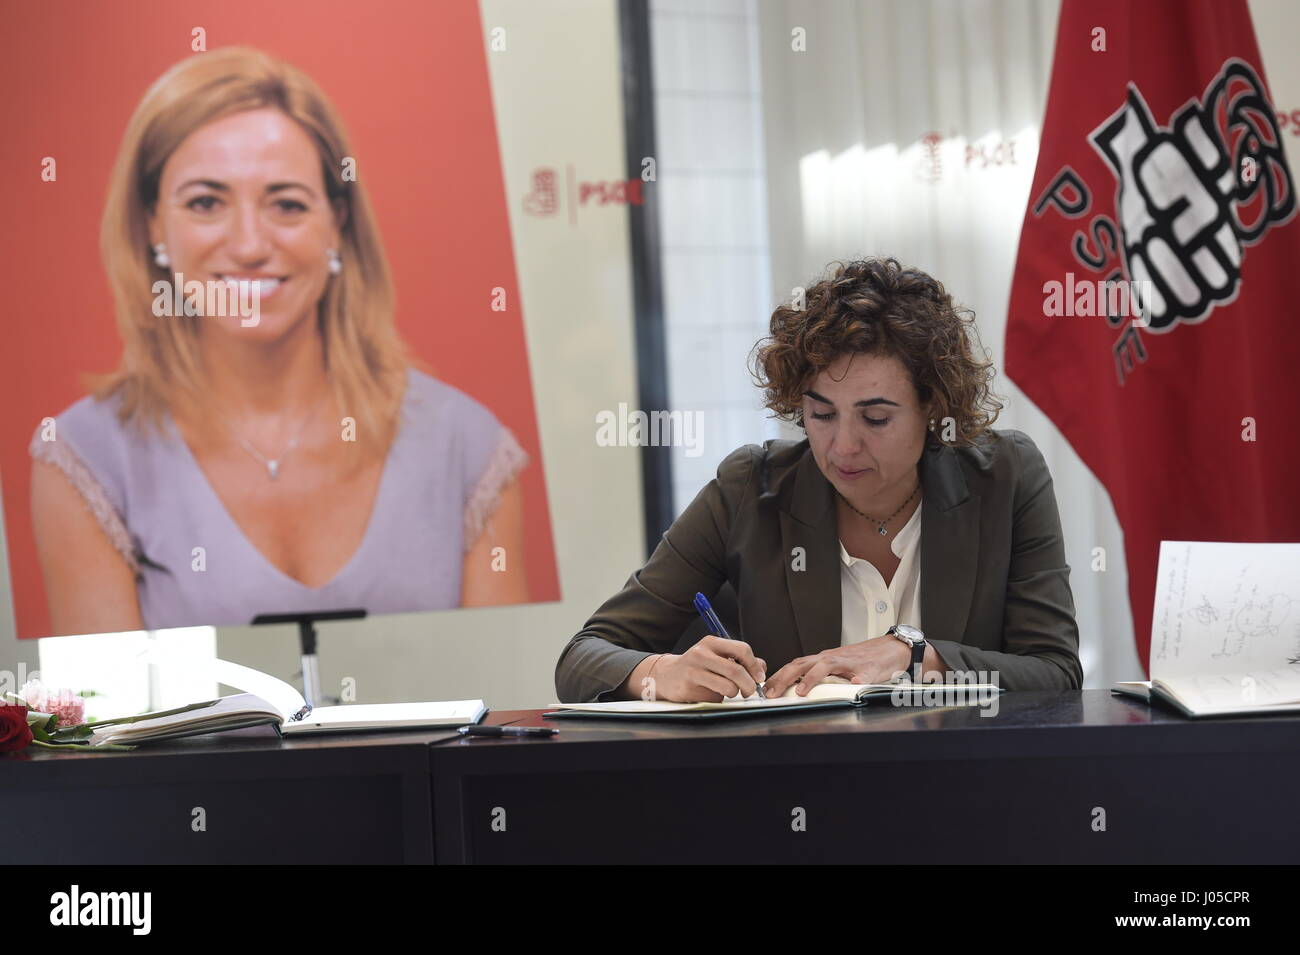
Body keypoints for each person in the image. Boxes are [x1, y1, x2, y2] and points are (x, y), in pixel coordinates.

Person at [29, 47, 530, 637]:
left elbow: (504, 708)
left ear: (337, 223)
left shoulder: (465, 445)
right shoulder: (84, 459)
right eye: (206, 202)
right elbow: (110, 721)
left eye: (287, 204)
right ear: (152, 225)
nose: (248, 244)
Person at [556, 257, 1082, 702]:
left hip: (967, 793)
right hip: (794, 798)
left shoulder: (1005, 475)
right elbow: (583, 657)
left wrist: (914, 653)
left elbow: (1056, 674)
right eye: (822, 415)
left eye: (876, 418)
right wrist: (656, 675)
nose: (843, 446)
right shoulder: (750, 489)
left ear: (932, 405)